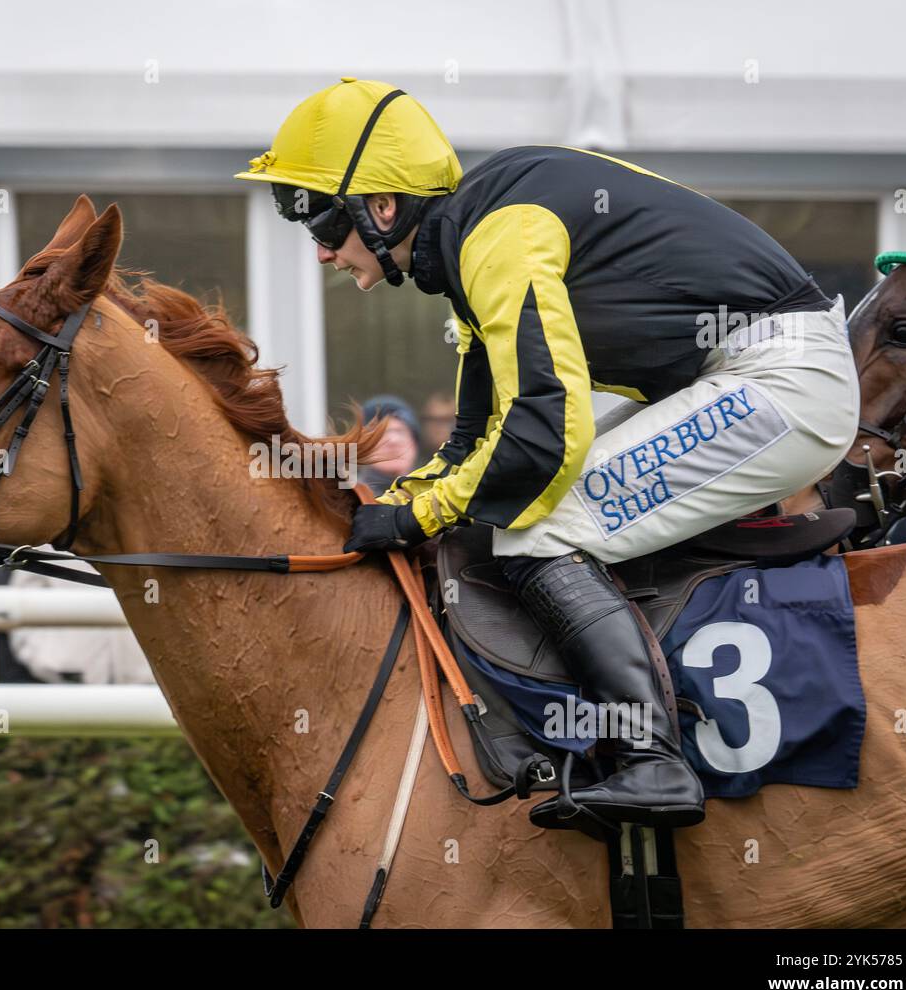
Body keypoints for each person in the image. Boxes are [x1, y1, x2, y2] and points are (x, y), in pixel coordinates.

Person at [235, 78, 860, 830]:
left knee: (539, 526)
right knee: (505, 509)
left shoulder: (498, 232)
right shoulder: (472, 242)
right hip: (733, 367)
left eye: (321, 223)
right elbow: (475, 436)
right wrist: (404, 501)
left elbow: (542, 432)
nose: (322, 254)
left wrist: (420, 515)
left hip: (783, 381)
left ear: (382, 206)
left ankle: (651, 761)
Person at [355, 394, 421, 492]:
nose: (393, 440)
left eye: (400, 432)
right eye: (380, 433)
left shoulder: (440, 496)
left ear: (414, 444)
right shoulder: (347, 500)